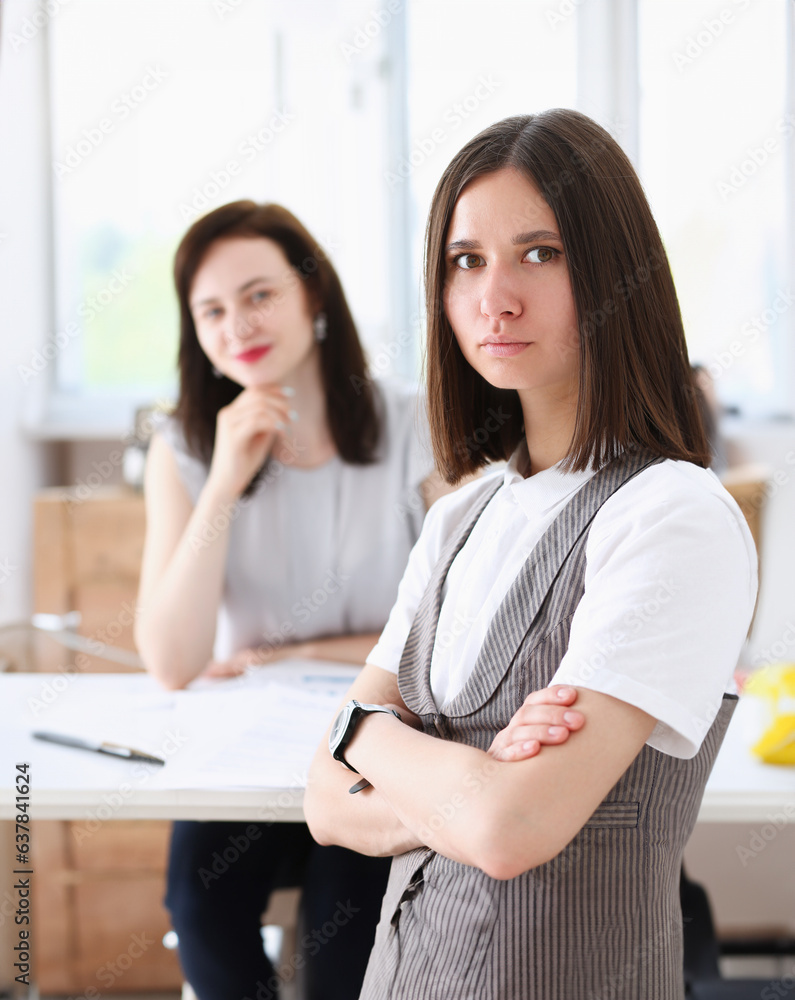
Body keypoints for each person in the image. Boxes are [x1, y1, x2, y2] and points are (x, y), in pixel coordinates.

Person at [304, 110, 758, 1000]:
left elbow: (510, 830)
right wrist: (460, 792)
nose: (493, 297)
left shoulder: (672, 515)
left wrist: (361, 731)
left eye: (540, 253)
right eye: (465, 261)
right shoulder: (459, 518)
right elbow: (324, 805)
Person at [134, 200, 441, 1000]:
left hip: (376, 744)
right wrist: (225, 482)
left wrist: (301, 651)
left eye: (259, 294)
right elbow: (171, 660)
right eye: (211, 310)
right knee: (199, 907)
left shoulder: (413, 423)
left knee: (345, 932)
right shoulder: (185, 446)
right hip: (247, 754)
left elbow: (448, 634)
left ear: (313, 296)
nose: (238, 324)